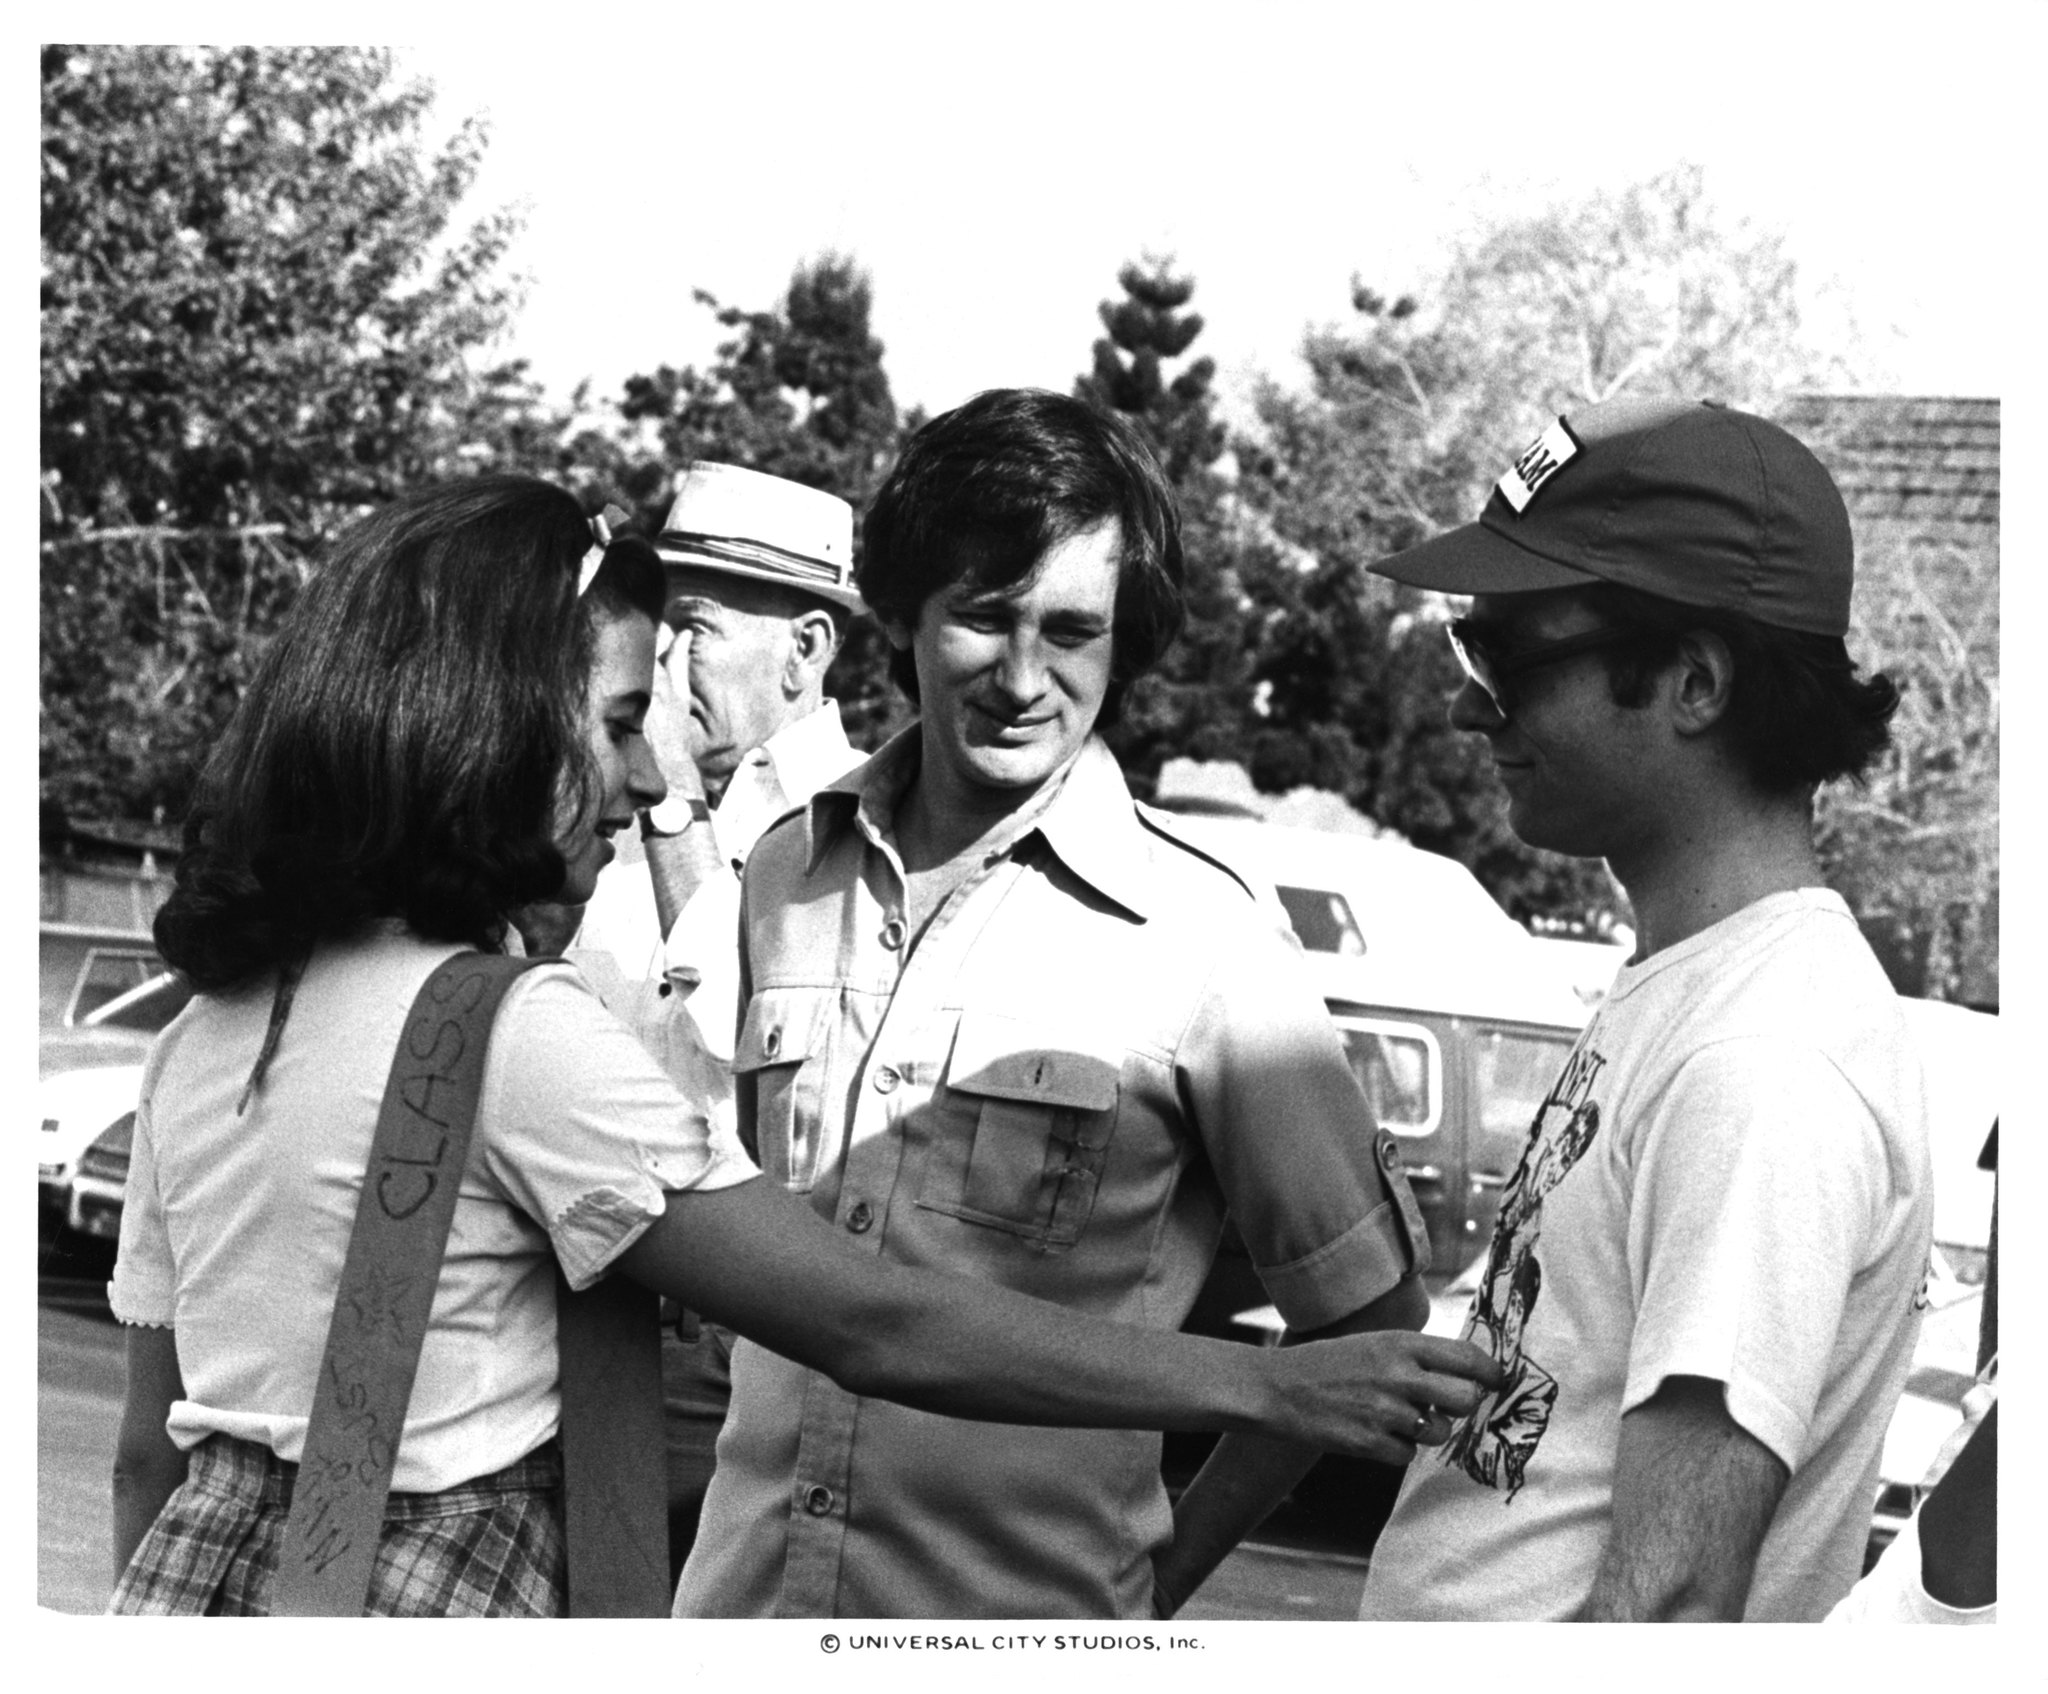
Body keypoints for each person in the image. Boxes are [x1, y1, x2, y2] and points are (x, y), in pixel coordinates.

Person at [106, 474, 1498, 1617]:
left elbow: (140, 1454)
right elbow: (865, 1316)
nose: (654, 779)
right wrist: (1258, 1377)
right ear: (481, 727)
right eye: (620, 721)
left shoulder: (201, 1036)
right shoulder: (529, 1023)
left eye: (1073, 630)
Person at [674, 389, 1443, 1622]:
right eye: (982, 618)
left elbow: (1363, 1317)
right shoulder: (780, 872)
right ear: (902, 618)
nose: (1024, 676)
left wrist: (1152, 1584)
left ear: (1123, 642)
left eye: (1072, 630)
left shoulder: (1204, 934)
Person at [1292, 394, 1925, 1621]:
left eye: (1510, 657)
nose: (1473, 706)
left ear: (1691, 679)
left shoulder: (1760, 1058)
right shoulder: (1694, 985)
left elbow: (1670, 1598)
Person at [557, 465, 866, 1574]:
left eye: (696, 627)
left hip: (723, 1338)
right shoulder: (596, 780)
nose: (667, 664)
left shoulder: (860, 826)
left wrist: (673, 802)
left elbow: (748, 1023)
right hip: (568, 1297)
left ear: (808, 648)